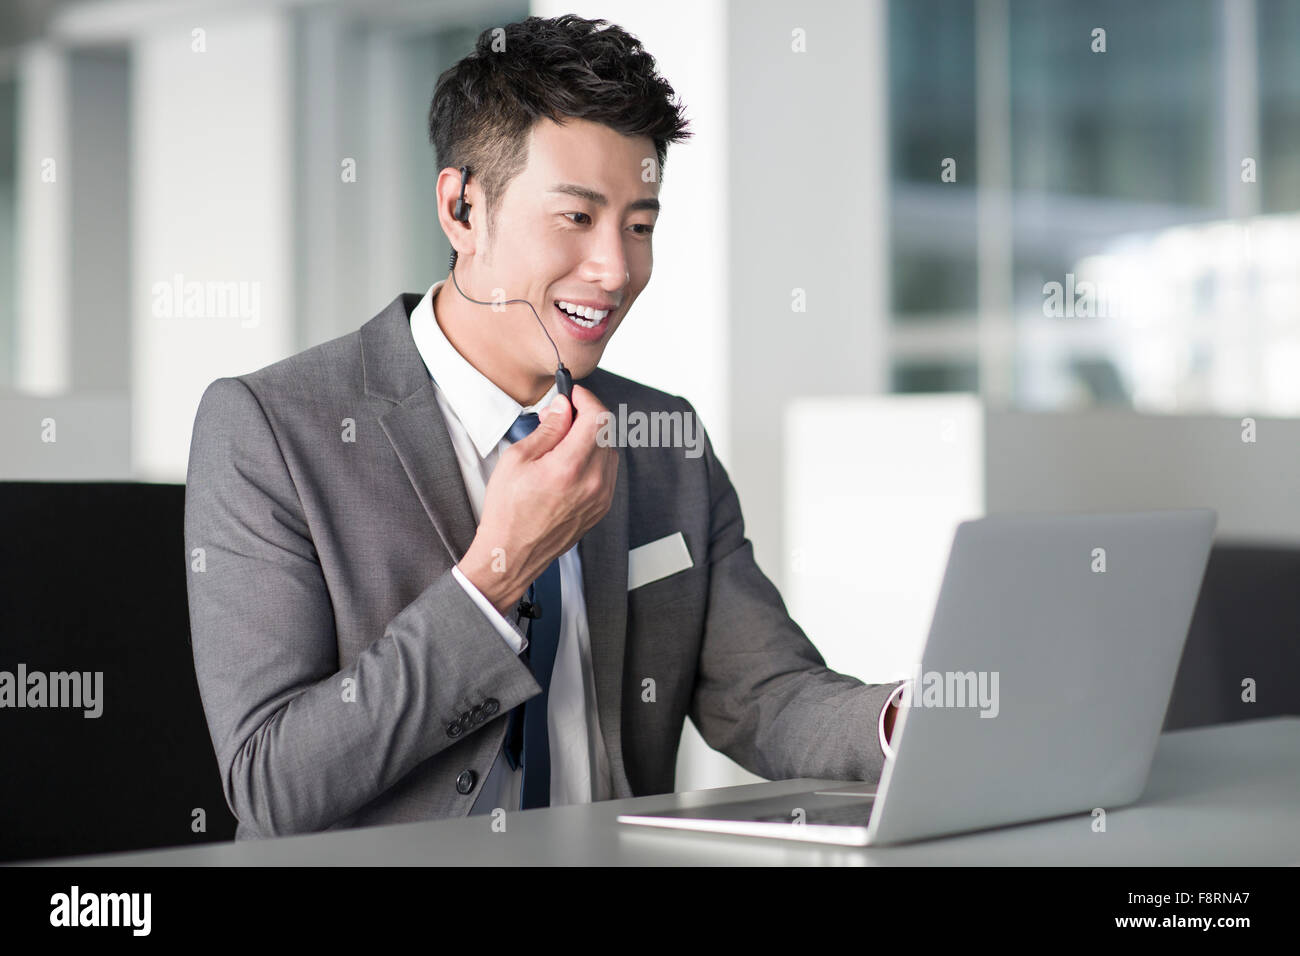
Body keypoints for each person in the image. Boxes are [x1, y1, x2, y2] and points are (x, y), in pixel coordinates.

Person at [185, 14, 905, 840]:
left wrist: (906, 720)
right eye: (576, 218)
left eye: (640, 225)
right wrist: (497, 573)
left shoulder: (661, 438)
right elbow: (273, 782)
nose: (615, 268)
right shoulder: (271, 431)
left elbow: (766, 695)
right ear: (463, 208)